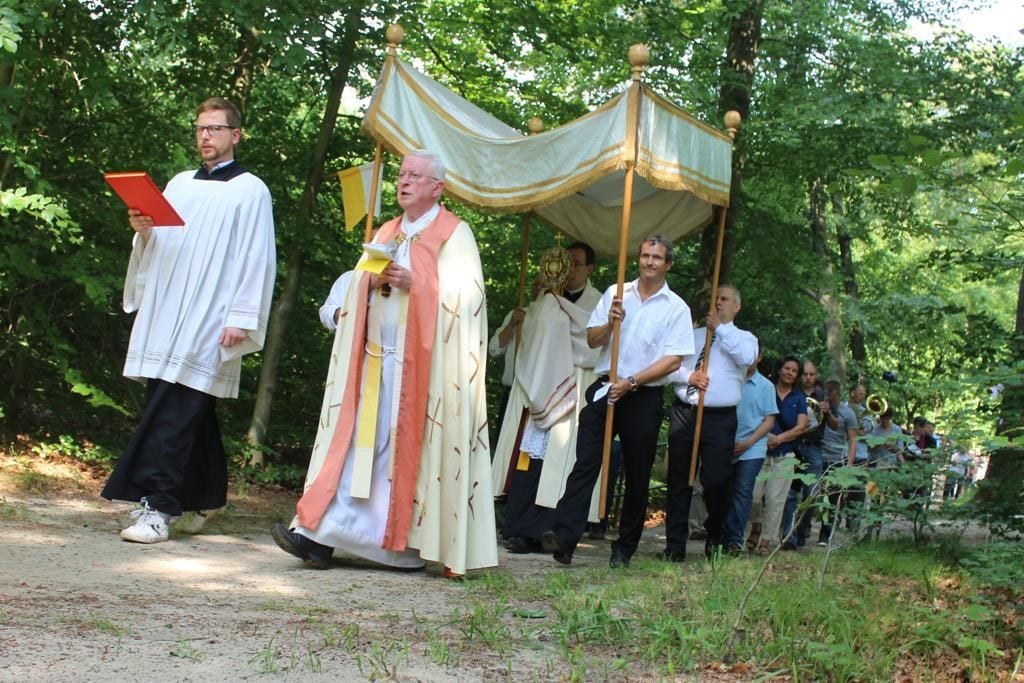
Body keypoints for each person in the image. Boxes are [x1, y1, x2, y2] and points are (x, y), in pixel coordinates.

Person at [272, 150, 496, 576]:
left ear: (437, 188)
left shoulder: (455, 234)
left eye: (416, 175)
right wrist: (368, 283)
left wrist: (421, 284)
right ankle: (320, 537)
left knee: (401, 453)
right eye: (402, 173)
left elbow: (470, 304)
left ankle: (403, 546)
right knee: (358, 447)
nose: (405, 180)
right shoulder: (387, 231)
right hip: (376, 361)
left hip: (425, 374)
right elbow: (356, 287)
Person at [102, 97, 277, 543]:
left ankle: (158, 507)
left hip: (210, 318)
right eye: (200, 128)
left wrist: (242, 316)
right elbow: (160, 248)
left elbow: (257, 258)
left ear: (235, 135)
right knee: (185, 409)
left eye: (215, 129)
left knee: (174, 411)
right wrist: (143, 233)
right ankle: (206, 495)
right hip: (168, 311)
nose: (205, 136)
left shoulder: (251, 190)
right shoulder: (178, 184)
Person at [541, 236, 694, 568]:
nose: (649, 262)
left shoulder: (676, 308)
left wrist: (632, 382)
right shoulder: (616, 293)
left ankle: (624, 548)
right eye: (644, 255)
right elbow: (592, 339)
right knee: (586, 463)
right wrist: (610, 322)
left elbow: (673, 360)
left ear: (667, 264)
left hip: (642, 394)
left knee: (638, 474)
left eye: (657, 257)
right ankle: (565, 538)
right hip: (606, 389)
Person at [491, 245, 601, 553]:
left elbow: (593, 346)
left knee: (561, 462)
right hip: (540, 387)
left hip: (574, 385)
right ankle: (519, 528)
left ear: (589, 269)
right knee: (529, 460)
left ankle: (552, 530)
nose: (569, 271)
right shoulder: (544, 302)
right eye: (565, 264)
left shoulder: (598, 304)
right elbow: (528, 344)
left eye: (576, 265)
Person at [661, 285, 758, 560]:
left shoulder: (745, 338)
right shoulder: (692, 336)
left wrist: (721, 329)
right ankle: (674, 546)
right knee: (679, 479)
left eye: (724, 300)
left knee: (716, 481)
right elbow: (670, 367)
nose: (718, 303)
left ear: (736, 306)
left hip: (719, 418)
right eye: (715, 299)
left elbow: (746, 359)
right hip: (686, 413)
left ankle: (715, 539)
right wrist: (689, 377)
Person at [722, 343, 777, 553]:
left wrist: (748, 443)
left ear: (760, 357)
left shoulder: (766, 386)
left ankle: (734, 539)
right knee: (721, 489)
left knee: (743, 492)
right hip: (725, 444)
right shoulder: (728, 379)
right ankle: (720, 533)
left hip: (752, 447)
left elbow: (769, 421)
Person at [756, 356, 808, 551]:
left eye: (794, 371)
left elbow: (801, 427)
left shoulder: (799, 398)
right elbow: (755, 415)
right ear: (780, 369)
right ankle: (756, 525)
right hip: (760, 449)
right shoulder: (766, 389)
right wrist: (766, 435)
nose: (790, 373)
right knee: (753, 496)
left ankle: (766, 540)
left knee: (775, 500)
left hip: (785, 454)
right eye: (787, 368)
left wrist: (778, 438)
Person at [784, 360, 828, 547]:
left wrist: (828, 412)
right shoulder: (793, 393)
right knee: (790, 493)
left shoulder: (822, 394)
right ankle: (789, 536)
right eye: (805, 374)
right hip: (793, 445)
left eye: (812, 374)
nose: (808, 378)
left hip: (814, 446)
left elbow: (833, 425)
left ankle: (803, 530)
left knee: (811, 493)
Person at [817, 379, 858, 545]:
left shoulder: (848, 413)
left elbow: (853, 439)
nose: (830, 400)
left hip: (836, 461)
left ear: (839, 395)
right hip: (817, 456)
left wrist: (850, 462)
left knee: (832, 499)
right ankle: (801, 530)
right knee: (812, 495)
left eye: (832, 397)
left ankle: (824, 535)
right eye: (827, 396)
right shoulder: (817, 407)